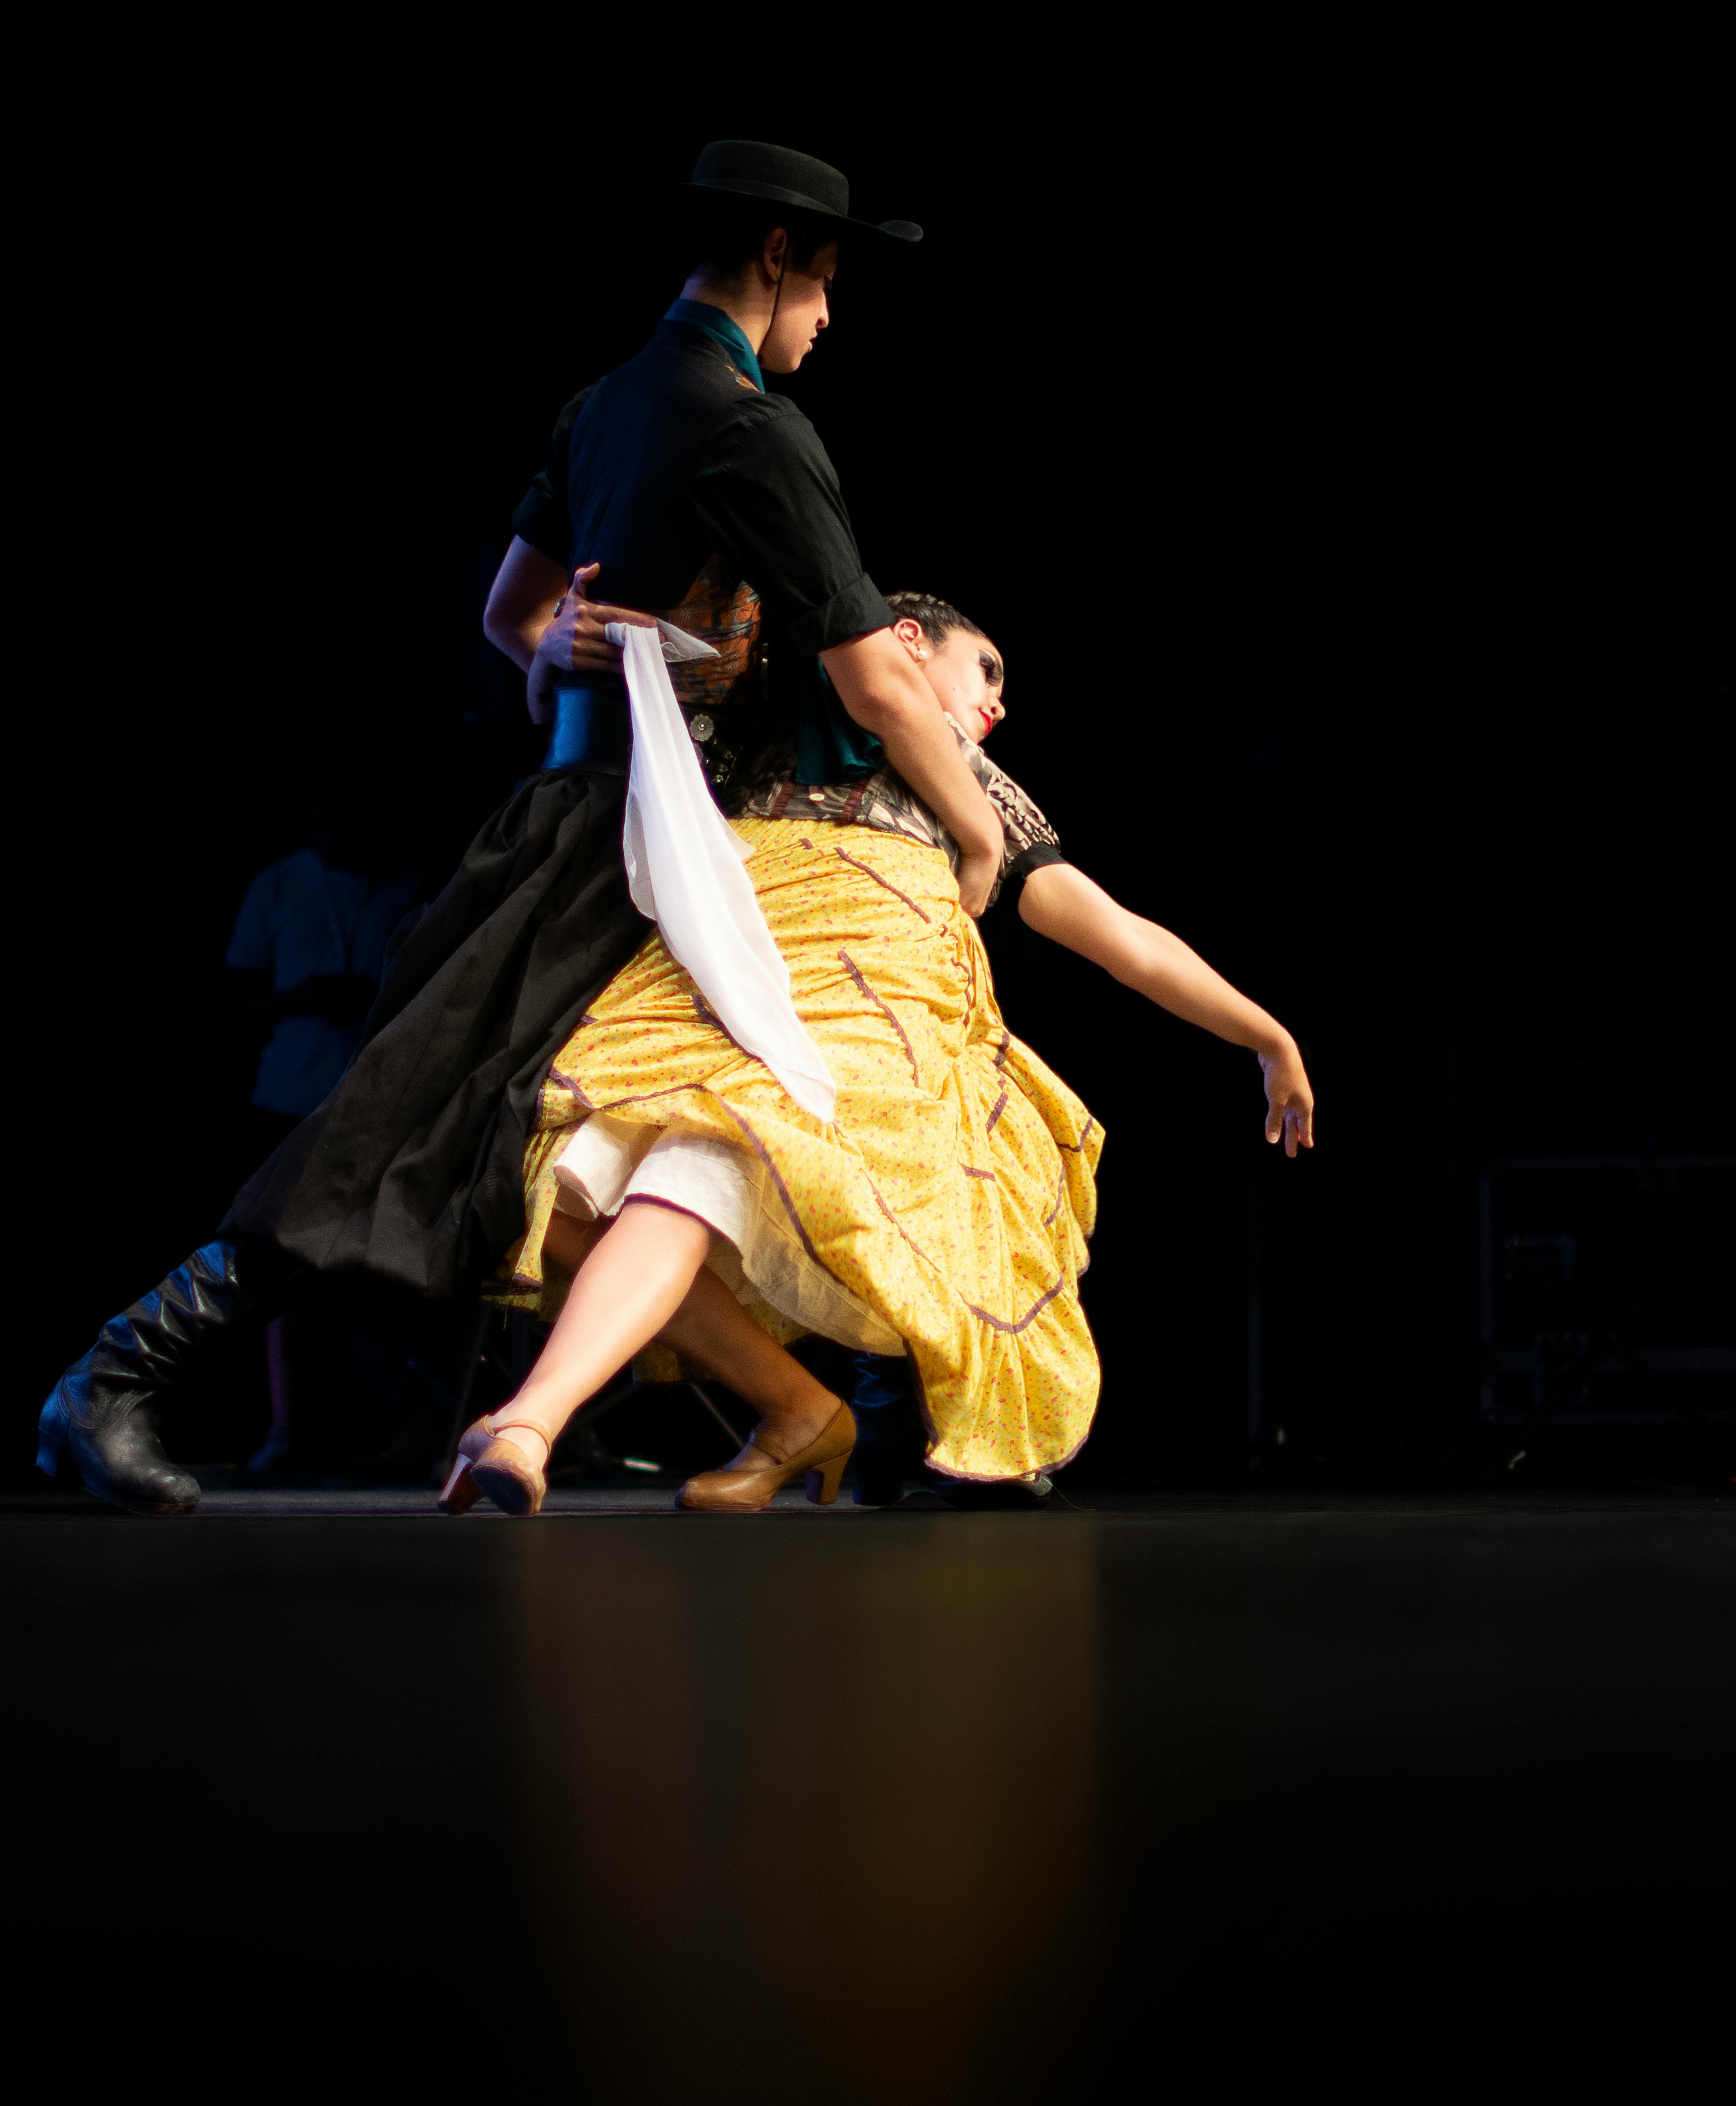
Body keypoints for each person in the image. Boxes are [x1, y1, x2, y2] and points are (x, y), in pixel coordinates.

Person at [40, 139, 1002, 1514]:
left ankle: (821, 1408)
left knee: (645, 1130)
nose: (830, 317)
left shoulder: (601, 405)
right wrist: (974, 833)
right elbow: (875, 676)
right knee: (445, 1117)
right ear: (778, 256)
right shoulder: (751, 428)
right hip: (623, 847)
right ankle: (115, 1378)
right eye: (827, 283)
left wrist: (556, 653)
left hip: (587, 821)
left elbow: (513, 617)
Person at [439, 592, 1316, 1517]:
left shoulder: (974, 786)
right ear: (904, 642)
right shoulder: (762, 718)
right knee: (560, 1183)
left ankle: (535, 1421)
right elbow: (608, 701)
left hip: (860, 996)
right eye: (987, 670)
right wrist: (549, 653)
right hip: (724, 972)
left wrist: (1265, 1034)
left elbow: (1121, 936)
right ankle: (796, 1408)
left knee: (699, 1159)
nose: (1001, 701)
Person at [223, 780, 424, 1478]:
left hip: (377, 1102)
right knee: (281, 1269)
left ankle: (386, 1438)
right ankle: (286, 1428)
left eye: (345, 822)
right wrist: (301, 998)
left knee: (378, 1270)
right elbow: (234, 996)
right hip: (288, 1099)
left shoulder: (405, 884)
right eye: (320, 822)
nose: (332, 836)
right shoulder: (279, 885)